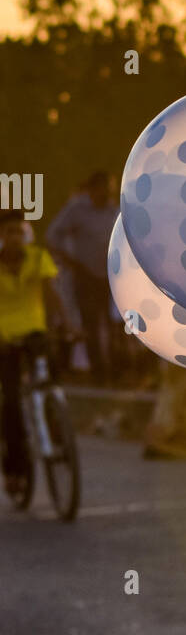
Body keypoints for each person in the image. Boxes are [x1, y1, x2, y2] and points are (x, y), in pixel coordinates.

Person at [0, 211, 71, 495]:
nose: (15, 237)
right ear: (2, 236)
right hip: (3, 339)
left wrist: (67, 325)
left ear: (25, 233)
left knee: (51, 375)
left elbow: (52, 294)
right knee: (11, 403)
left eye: (19, 231)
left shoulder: (38, 257)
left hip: (34, 333)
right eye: (9, 232)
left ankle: (55, 423)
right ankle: (15, 467)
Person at [47, 172, 119, 384]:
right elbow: (53, 235)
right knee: (91, 324)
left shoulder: (115, 210)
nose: (109, 192)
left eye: (112, 188)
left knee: (114, 324)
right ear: (94, 189)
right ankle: (99, 372)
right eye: (105, 188)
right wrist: (70, 261)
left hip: (112, 275)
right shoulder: (77, 210)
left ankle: (117, 369)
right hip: (85, 275)